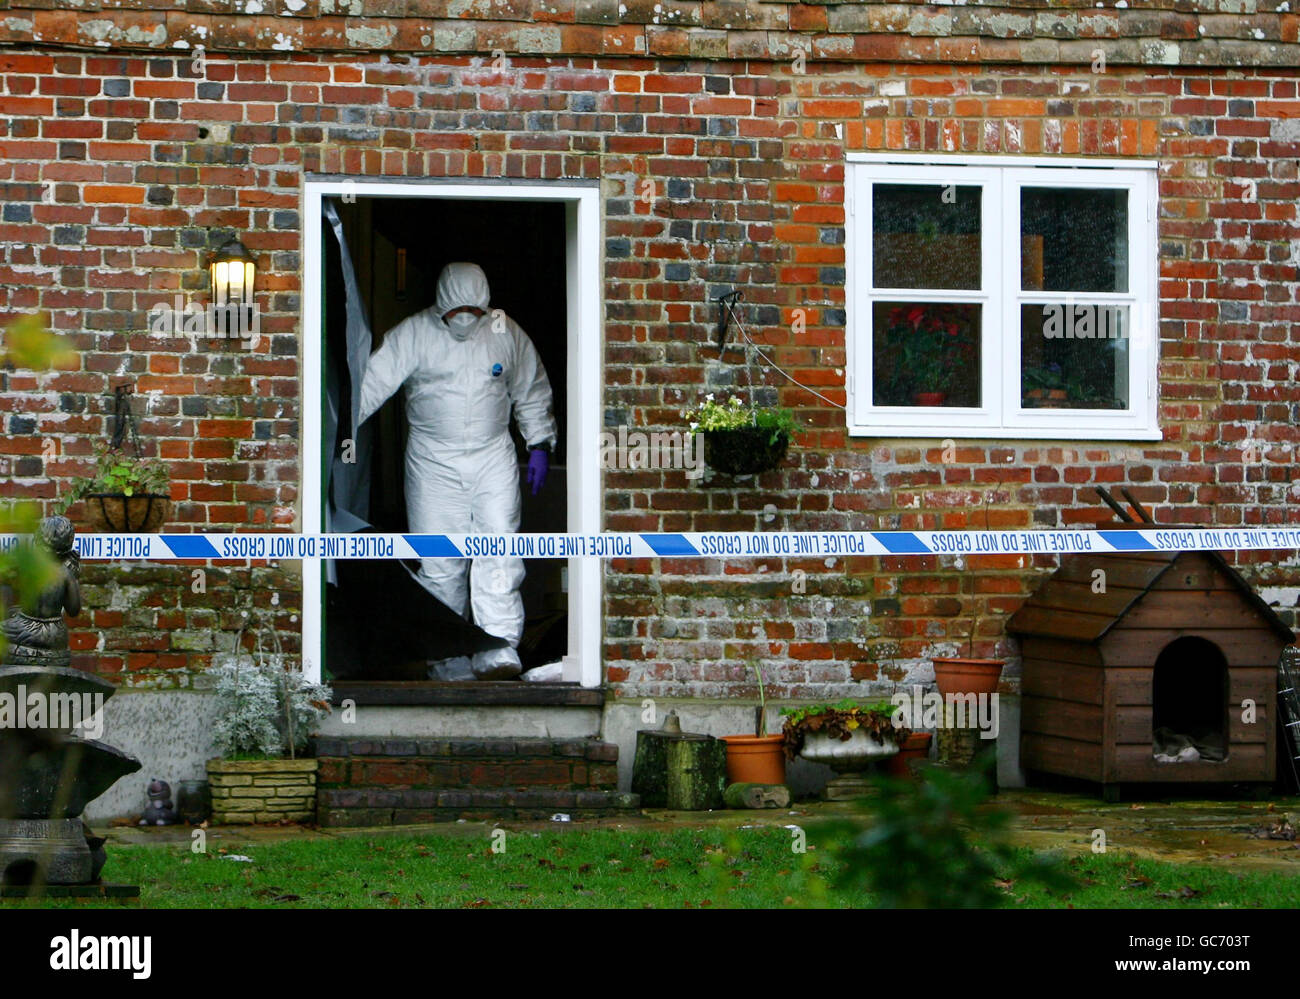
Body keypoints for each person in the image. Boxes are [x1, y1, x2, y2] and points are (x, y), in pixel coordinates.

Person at [357, 262, 556, 680]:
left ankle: (497, 646)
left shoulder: (504, 332)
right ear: (440, 306)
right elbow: (372, 384)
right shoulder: (414, 334)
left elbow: (531, 387)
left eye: (473, 311)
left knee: (499, 548)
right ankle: (446, 656)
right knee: (439, 558)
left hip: (492, 455)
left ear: (486, 306)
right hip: (432, 460)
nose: (465, 318)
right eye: (456, 311)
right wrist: (338, 433)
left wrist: (539, 442)